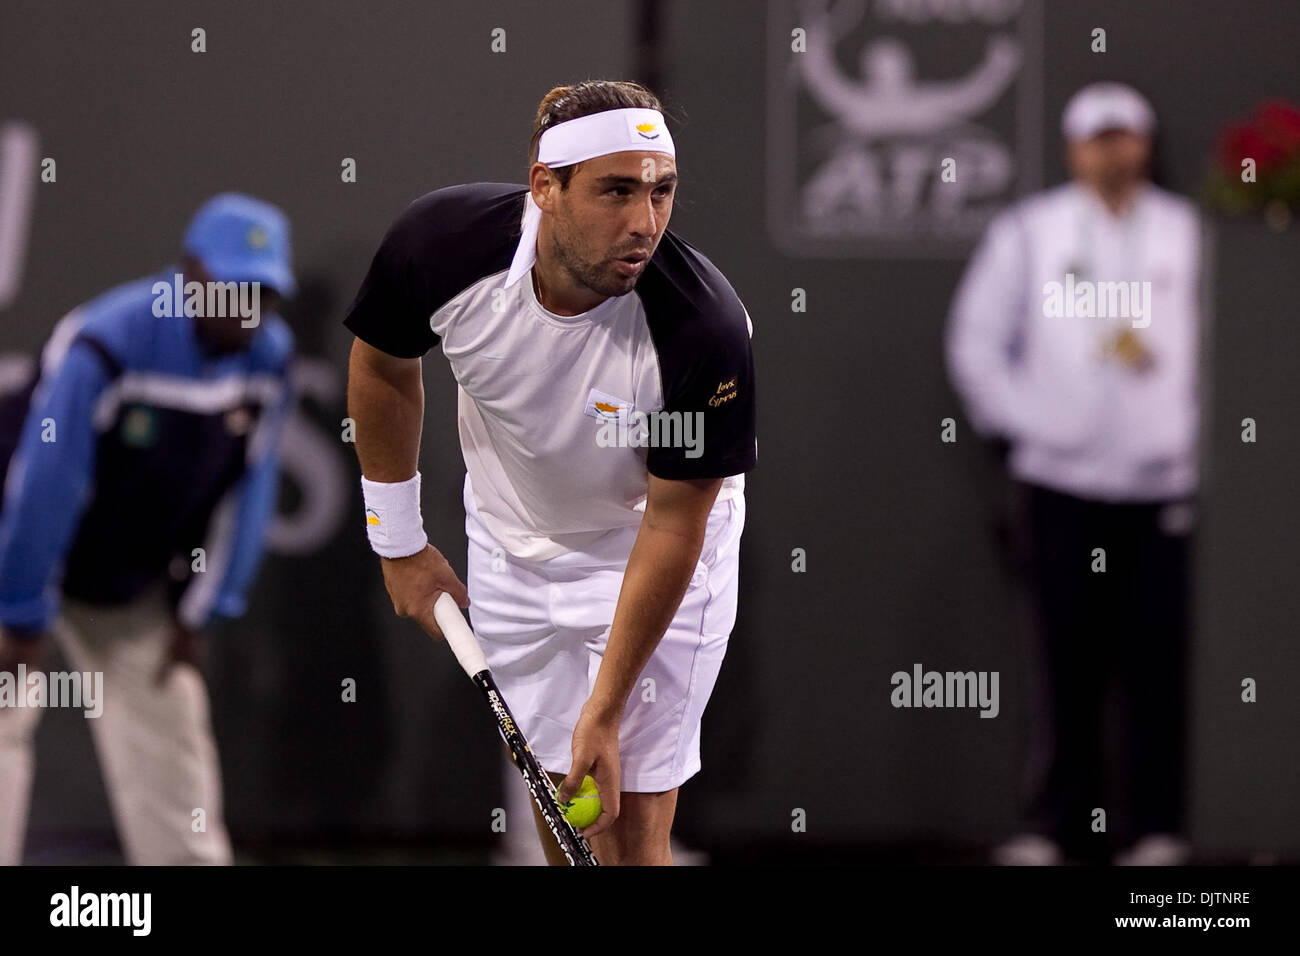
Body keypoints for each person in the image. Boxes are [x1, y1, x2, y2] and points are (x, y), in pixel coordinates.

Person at [343, 80, 757, 866]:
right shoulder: (442, 247)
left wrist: (602, 709)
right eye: (616, 191)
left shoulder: (702, 328)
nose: (644, 223)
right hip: (510, 543)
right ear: (546, 186)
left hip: (651, 551)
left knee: (628, 833)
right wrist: (397, 543)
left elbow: (675, 522)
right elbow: (383, 365)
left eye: (662, 191)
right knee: (563, 824)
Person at [945, 82, 1203, 866]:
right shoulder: (1031, 232)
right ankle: (1057, 826)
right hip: (1058, 486)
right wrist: (1034, 424)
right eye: (1097, 137)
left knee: (1160, 662)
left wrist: (1189, 433)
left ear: (1146, 144)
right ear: (1072, 147)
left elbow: (1225, 350)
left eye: (1124, 135)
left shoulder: (1189, 233)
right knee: (1061, 663)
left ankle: (1157, 827)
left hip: (1164, 485)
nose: (1112, 150)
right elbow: (976, 341)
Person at [0, 193, 296, 865]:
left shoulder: (267, 360)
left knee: (171, 727)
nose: (248, 309)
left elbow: (248, 495)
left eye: (265, 294)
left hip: (126, 576)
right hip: (15, 547)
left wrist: (200, 610)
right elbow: (47, 483)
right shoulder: (110, 338)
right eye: (235, 288)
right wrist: (18, 612)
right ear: (192, 273)